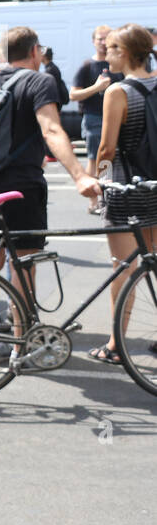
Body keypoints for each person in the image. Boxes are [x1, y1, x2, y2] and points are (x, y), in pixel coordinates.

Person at [0, 26, 101, 366]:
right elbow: (51, 129)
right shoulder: (39, 81)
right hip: (22, 184)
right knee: (25, 263)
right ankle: (21, 344)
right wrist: (80, 175)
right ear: (35, 52)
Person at [90, 24, 157, 365]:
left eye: (113, 47)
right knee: (154, 264)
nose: (107, 53)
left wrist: (96, 185)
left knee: (124, 268)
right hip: (156, 188)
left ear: (128, 53)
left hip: (127, 190)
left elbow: (106, 147)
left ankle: (116, 344)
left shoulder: (118, 93)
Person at [70, 26, 120, 214]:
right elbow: (73, 95)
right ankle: (94, 201)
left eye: (106, 39)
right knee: (94, 159)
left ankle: (105, 198)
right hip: (94, 119)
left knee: (108, 162)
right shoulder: (87, 66)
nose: (103, 42)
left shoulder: (117, 66)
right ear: (93, 41)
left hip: (115, 120)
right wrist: (96, 87)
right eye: (100, 39)